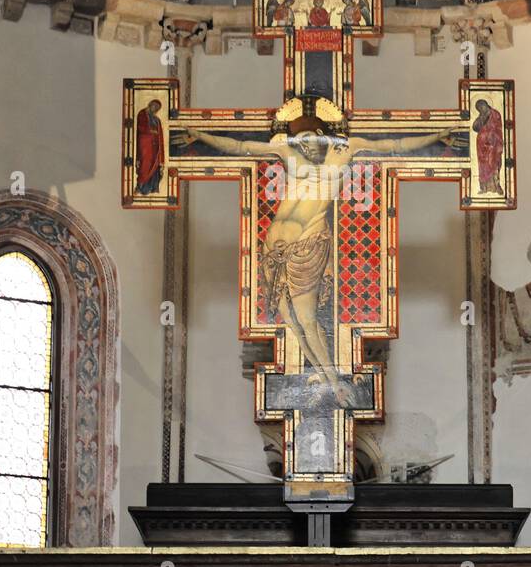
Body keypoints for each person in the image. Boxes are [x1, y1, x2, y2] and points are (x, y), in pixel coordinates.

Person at [178, 116, 458, 404]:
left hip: (306, 249)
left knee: (308, 320)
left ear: (323, 134)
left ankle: (335, 383)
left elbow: (394, 145)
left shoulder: (347, 149)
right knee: (291, 322)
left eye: (309, 139)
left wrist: (436, 135)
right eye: (300, 141)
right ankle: (325, 377)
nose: (305, 146)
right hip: (273, 252)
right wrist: (199, 134)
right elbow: (240, 147)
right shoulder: (287, 152)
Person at [473, 98, 504, 195]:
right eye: (479, 109)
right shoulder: (481, 116)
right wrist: (480, 120)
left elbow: (497, 127)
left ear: (485, 104)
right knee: (483, 166)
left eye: (481, 107)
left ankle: (496, 185)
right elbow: (475, 127)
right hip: (482, 146)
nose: (481, 110)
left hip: (493, 145)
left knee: (493, 163)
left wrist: (491, 135)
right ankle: (484, 188)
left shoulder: (495, 114)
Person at [134, 99, 164, 195]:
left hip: (155, 146)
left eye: (157, 108)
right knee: (145, 165)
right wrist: (151, 133)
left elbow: (160, 135)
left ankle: (153, 187)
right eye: (154, 106)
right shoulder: (142, 114)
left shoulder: (157, 120)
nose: (155, 108)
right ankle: (140, 187)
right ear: (150, 104)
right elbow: (141, 128)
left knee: (155, 166)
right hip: (145, 145)